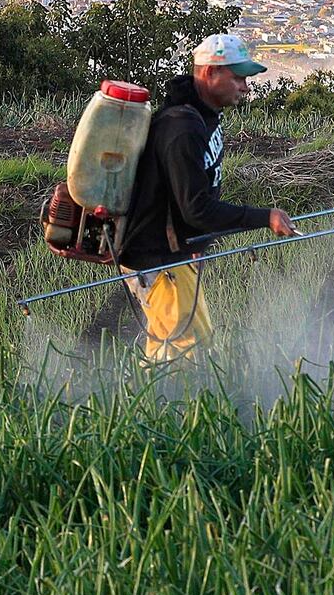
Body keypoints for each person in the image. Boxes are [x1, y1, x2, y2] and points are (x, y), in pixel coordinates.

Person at [119, 33, 295, 362]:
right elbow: (196, 208)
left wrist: (195, 244)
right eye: (238, 77)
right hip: (158, 260)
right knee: (184, 354)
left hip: (175, 253)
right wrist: (264, 217)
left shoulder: (204, 116)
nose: (245, 86)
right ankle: (163, 411)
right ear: (210, 73)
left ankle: (151, 408)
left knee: (178, 345)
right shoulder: (182, 129)